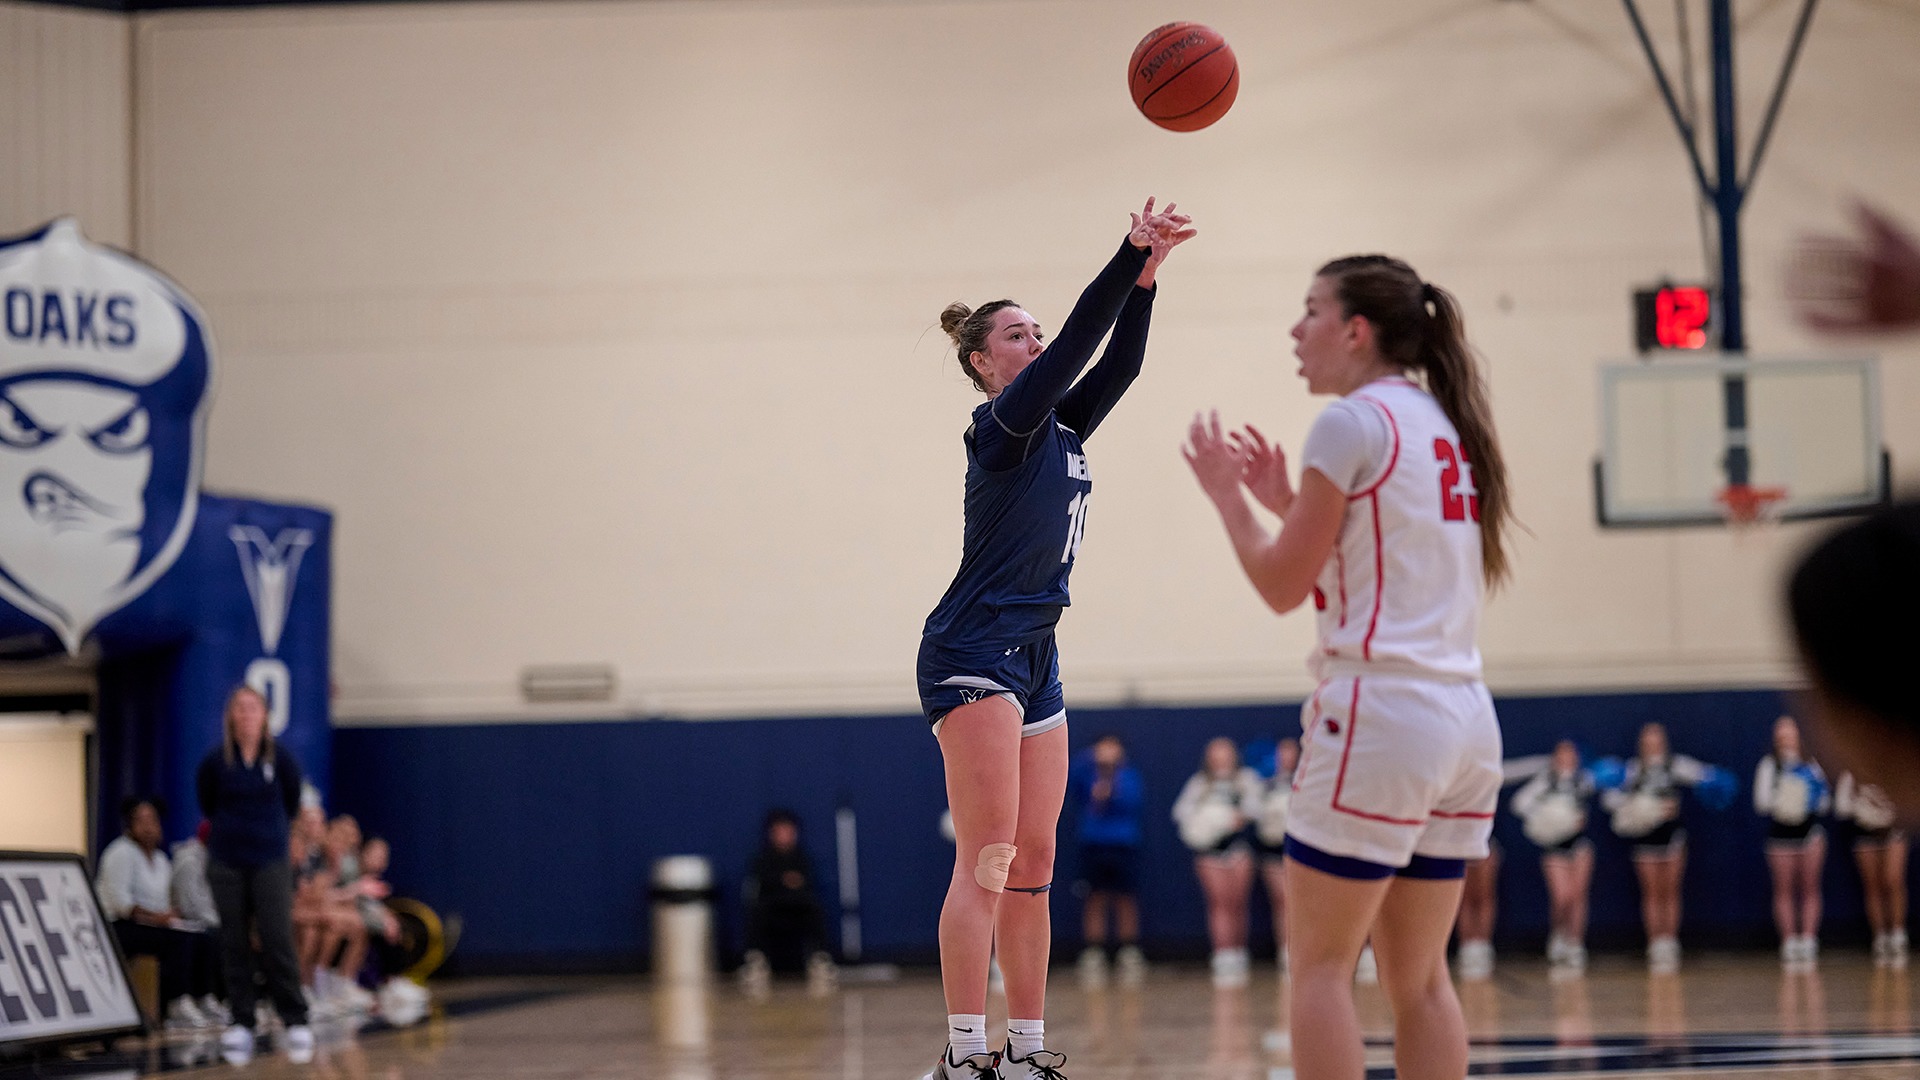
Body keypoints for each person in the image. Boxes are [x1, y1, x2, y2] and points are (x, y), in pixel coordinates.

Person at [1183, 253, 1512, 1080]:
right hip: (1465, 719)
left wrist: (1225, 495)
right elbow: (1369, 563)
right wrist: (1288, 504)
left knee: (1322, 969)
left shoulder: (1351, 422)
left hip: (1381, 713)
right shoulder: (1442, 421)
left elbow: (1281, 585)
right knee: (1422, 981)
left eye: (1311, 312)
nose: (1297, 331)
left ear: (1356, 331)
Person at [915, 198, 1192, 1080]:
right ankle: (966, 1058)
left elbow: (1121, 364)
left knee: (1034, 864)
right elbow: (1080, 343)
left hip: (1037, 654)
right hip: (972, 652)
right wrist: (1127, 251)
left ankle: (1027, 1054)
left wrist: (1146, 283)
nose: (1034, 344)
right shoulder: (1002, 428)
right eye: (1017, 336)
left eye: (1035, 332)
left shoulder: (1064, 427)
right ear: (981, 361)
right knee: (988, 857)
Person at [197, 685, 313, 1066]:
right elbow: (208, 802)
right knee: (234, 941)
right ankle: (242, 1020)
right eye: (240, 709)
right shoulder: (217, 762)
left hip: (270, 861)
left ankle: (294, 1016)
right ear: (231, 716)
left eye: (253, 708)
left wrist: (277, 837)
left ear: (265, 715)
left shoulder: (280, 761)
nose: (247, 715)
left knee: (277, 936)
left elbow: (293, 801)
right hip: (227, 861)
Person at [95, 796, 221, 1028]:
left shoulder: (162, 859)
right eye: (141, 821)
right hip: (118, 926)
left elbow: (165, 900)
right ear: (129, 825)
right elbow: (121, 904)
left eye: (153, 820)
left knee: (202, 938)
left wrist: (171, 914)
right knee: (177, 941)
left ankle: (204, 998)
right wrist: (157, 918)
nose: (149, 827)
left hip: (152, 924)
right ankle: (176, 1005)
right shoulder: (120, 852)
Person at [1601, 722, 1714, 974]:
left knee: (1671, 892)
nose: (1652, 745)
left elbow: (1705, 776)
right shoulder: (1633, 769)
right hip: (1645, 840)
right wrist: (1636, 806)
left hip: (1672, 838)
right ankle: (1655, 943)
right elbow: (1609, 796)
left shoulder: (1675, 765)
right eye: (1648, 741)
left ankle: (1670, 941)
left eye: (1657, 740)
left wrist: (1710, 784)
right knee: (1651, 894)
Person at [1171, 737, 1262, 986]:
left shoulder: (1245, 780)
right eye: (1215, 754)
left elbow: (1256, 808)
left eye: (1225, 754)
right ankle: (1223, 955)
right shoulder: (1200, 784)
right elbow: (1181, 813)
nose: (1220, 759)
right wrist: (1206, 824)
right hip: (1210, 853)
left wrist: (1238, 817)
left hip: (1238, 850)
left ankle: (1239, 952)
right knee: (1218, 903)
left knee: (1238, 903)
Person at [1509, 741, 1597, 973]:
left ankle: (1575, 944)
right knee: (1562, 896)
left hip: (1579, 846)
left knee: (1578, 896)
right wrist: (1544, 819)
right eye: (1562, 754)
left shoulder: (1583, 779)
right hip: (1554, 848)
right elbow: (1519, 803)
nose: (1566, 758)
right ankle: (1558, 935)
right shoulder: (1546, 780)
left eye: (1571, 754)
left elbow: (1610, 793)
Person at [1067, 734, 1147, 986]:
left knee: (1125, 897)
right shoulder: (1087, 773)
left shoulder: (1129, 776)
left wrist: (1111, 788)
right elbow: (1070, 780)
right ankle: (1094, 949)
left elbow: (1133, 802)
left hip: (1123, 844)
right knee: (1094, 897)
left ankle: (1128, 949)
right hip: (1093, 844)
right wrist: (1092, 758)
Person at [1754, 716, 1830, 969]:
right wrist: (1783, 801)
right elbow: (1761, 802)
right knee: (1783, 889)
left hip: (1809, 834)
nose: (1785, 740)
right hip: (1780, 836)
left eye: (1790, 734)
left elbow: (1825, 800)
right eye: (1781, 736)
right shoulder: (1769, 766)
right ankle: (1789, 941)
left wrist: (1807, 799)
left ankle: (1808, 939)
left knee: (1810, 887)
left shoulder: (1811, 764)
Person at [738, 809, 835, 993]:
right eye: (780, 831)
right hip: (772, 909)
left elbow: (805, 884)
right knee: (756, 910)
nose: (784, 835)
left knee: (815, 907)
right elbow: (764, 884)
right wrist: (784, 881)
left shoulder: (803, 858)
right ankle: (755, 961)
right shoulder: (762, 859)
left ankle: (820, 959)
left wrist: (786, 883)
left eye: (788, 831)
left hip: (797, 909)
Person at [1789, 203, 1920, 333]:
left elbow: (1895, 241)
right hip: (1868, 285)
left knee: (1836, 270)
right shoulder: (1912, 316)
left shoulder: (1912, 313)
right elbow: (1876, 324)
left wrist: (1868, 216)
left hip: (1868, 284)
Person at [1835, 771, 1907, 967]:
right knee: (1873, 885)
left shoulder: (1894, 768)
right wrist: (1862, 807)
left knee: (1892, 879)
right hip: (1864, 832)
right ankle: (1880, 936)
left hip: (1893, 830)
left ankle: (1898, 934)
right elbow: (1841, 807)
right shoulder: (1852, 773)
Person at [1253, 738, 1299, 970]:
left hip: (1301, 849)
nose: (1286, 757)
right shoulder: (1265, 785)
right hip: (1273, 848)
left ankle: (1303, 952)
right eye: (1282, 752)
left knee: (1300, 904)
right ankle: (1285, 951)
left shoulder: (1306, 783)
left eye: (1290, 753)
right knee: (1282, 901)